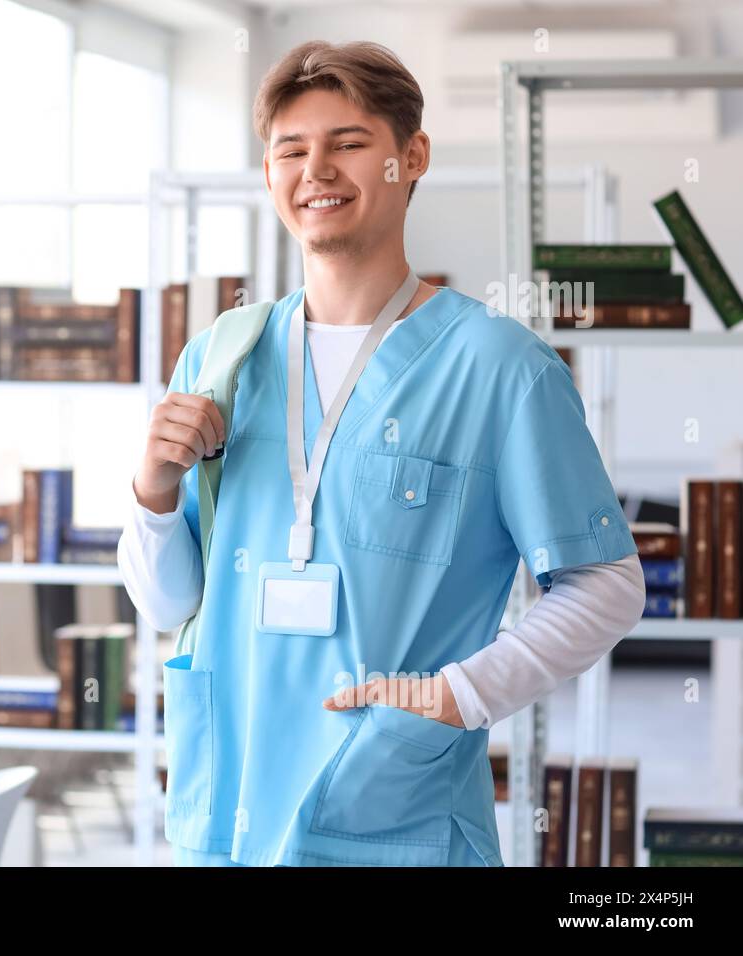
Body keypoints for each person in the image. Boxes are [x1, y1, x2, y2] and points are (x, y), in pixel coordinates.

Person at [119, 40, 646, 867]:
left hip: (394, 820)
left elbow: (606, 584)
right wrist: (151, 494)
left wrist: (457, 696)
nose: (316, 169)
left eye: (349, 143)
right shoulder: (221, 357)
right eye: (291, 151)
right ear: (269, 176)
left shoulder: (498, 367)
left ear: (412, 156)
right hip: (228, 823)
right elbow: (169, 605)